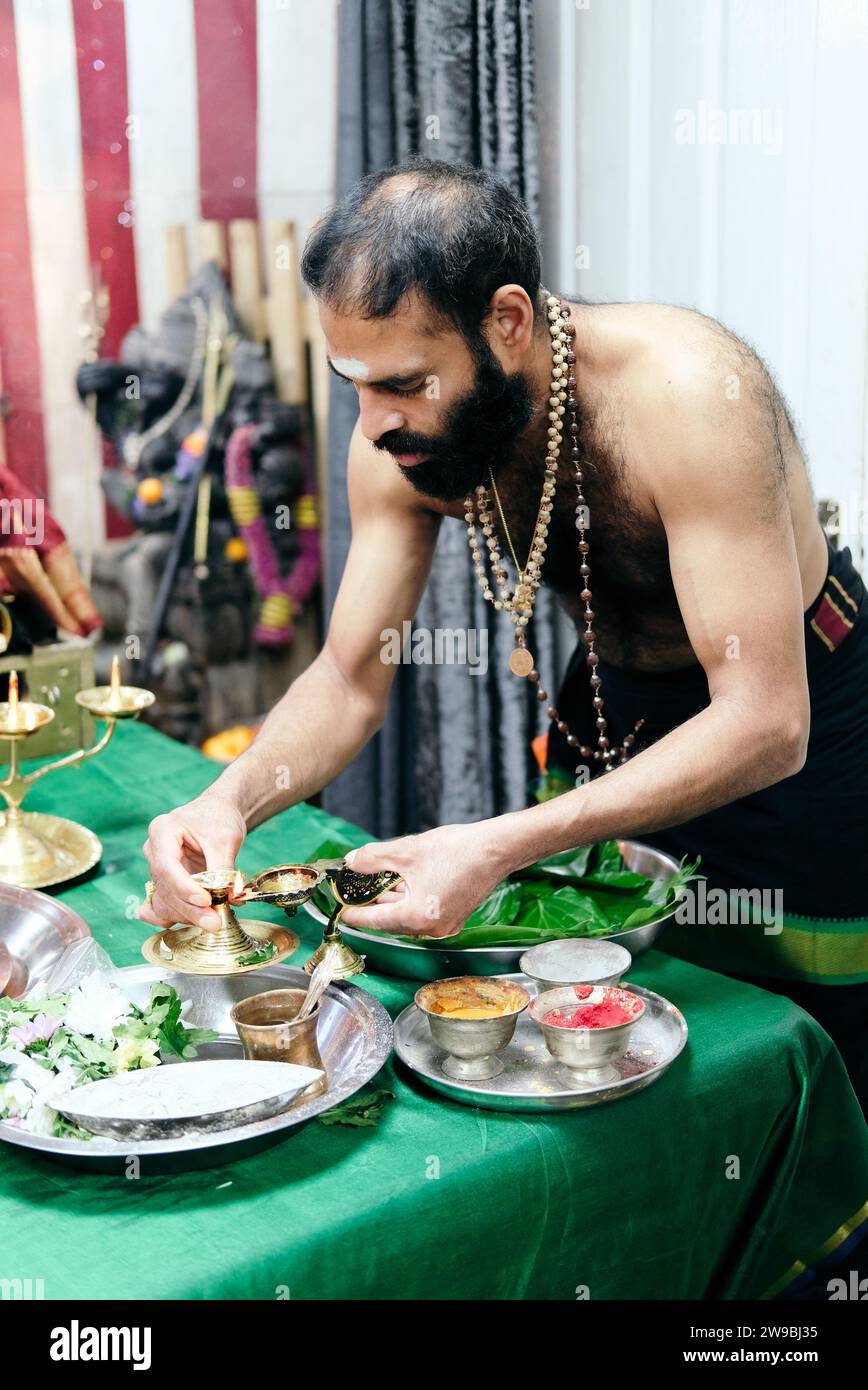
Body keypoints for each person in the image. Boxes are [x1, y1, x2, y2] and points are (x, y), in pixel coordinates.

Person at [140, 156, 867, 1111]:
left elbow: (769, 722)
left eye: (404, 382)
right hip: (612, 704)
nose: (374, 423)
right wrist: (230, 801)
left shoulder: (691, 395)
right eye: (352, 382)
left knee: (804, 1047)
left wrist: (497, 844)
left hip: (799, 708)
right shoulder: (392, 434)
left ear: (509, 323)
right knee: (597, 1027)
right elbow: (353, 676)